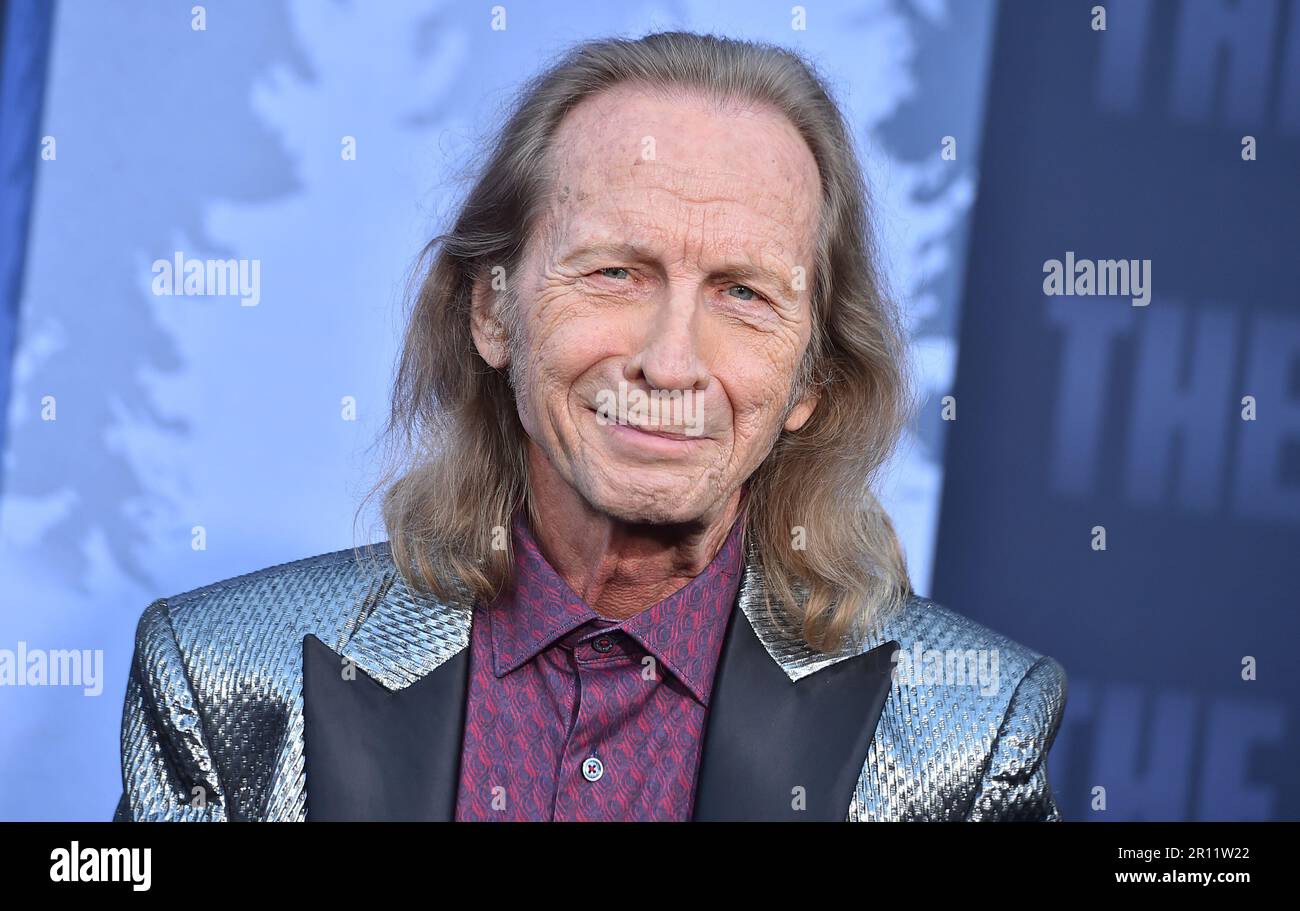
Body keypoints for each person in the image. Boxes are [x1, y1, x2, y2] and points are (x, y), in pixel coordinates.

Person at [113, 30, 1066, 822]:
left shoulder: (967, 735)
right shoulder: (226, 680)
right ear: (492, 313)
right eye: (614, 272)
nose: (670, 360)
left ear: (811, 377)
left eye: (743, 294)